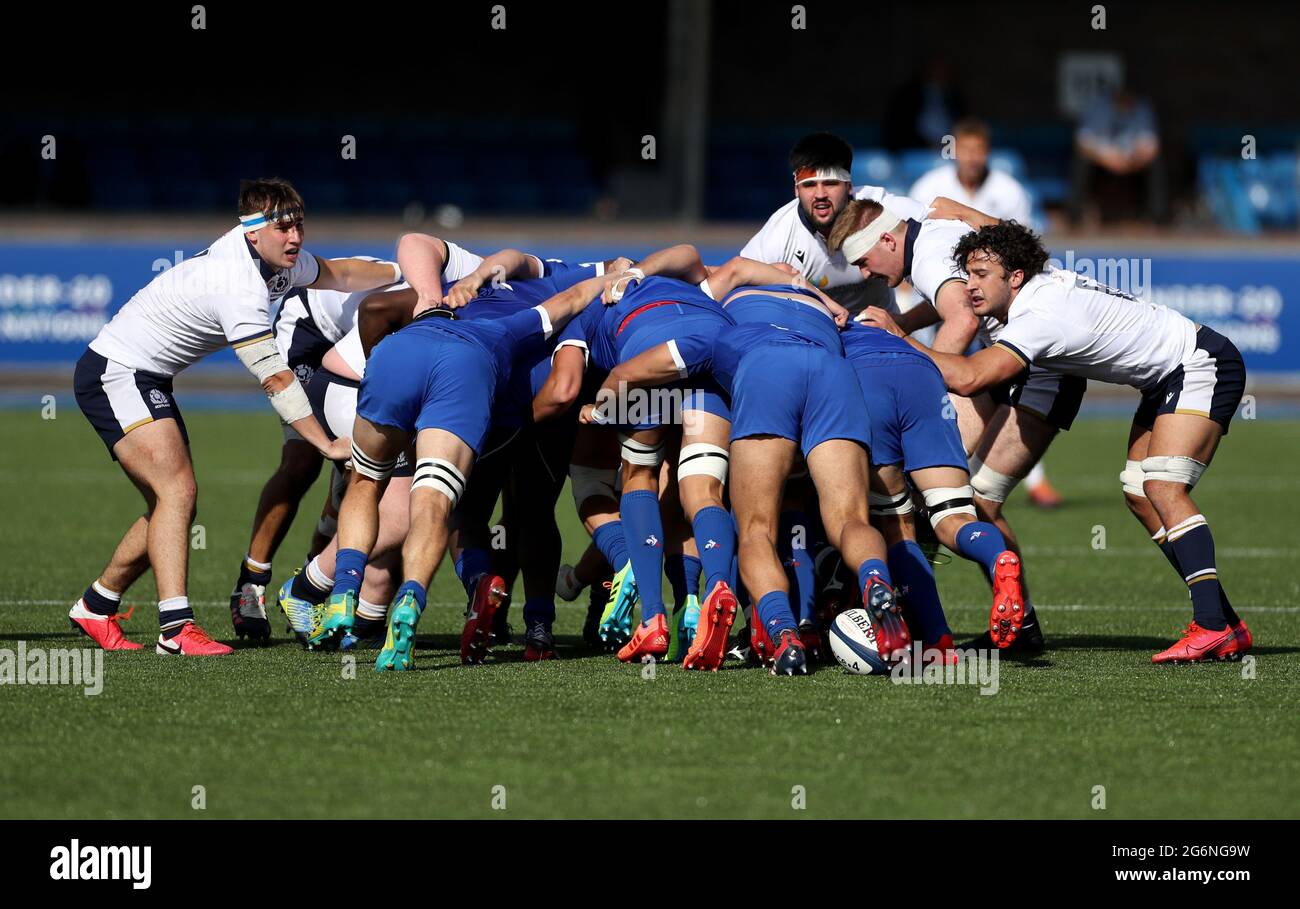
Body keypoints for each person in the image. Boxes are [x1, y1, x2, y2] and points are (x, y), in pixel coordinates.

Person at [879, 221, 1250, 664]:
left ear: (1015, 277)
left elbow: (969, 377)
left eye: (980, 275)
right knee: (1139, 492)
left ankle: (1211, 625)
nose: (969, 285)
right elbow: (998, 234)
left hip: (1199, 363)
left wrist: (900, 338)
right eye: (967, 273)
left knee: (1163, 488)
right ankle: (1226, 624)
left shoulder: (1041, 317)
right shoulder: (1041, 283)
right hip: (1164, 377)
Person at [69, 178, 396, 655]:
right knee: (177, 493)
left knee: (172, 501)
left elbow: (342, 274)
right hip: (118, 374)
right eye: (282, 227)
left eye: (299, 225)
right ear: (251, 232)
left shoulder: (274, 259)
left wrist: (407, 272)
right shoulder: (238, 286)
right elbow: (276, 379)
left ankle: (97, 606)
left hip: (145, 376)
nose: (295, 237)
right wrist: (326, 446)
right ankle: (176, 630)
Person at [1070, 87, 1167, 225]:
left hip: (1133, 163)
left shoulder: (1142, 108)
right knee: (1082, 161)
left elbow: (1152, 146)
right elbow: (1082, 142)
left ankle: (1157, 217)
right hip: (1102, 163)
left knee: (1156, 163)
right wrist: (1107, 159)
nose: (1126, 99)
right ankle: (1075, 216)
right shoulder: (1100, 107)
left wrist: (1135, 160)